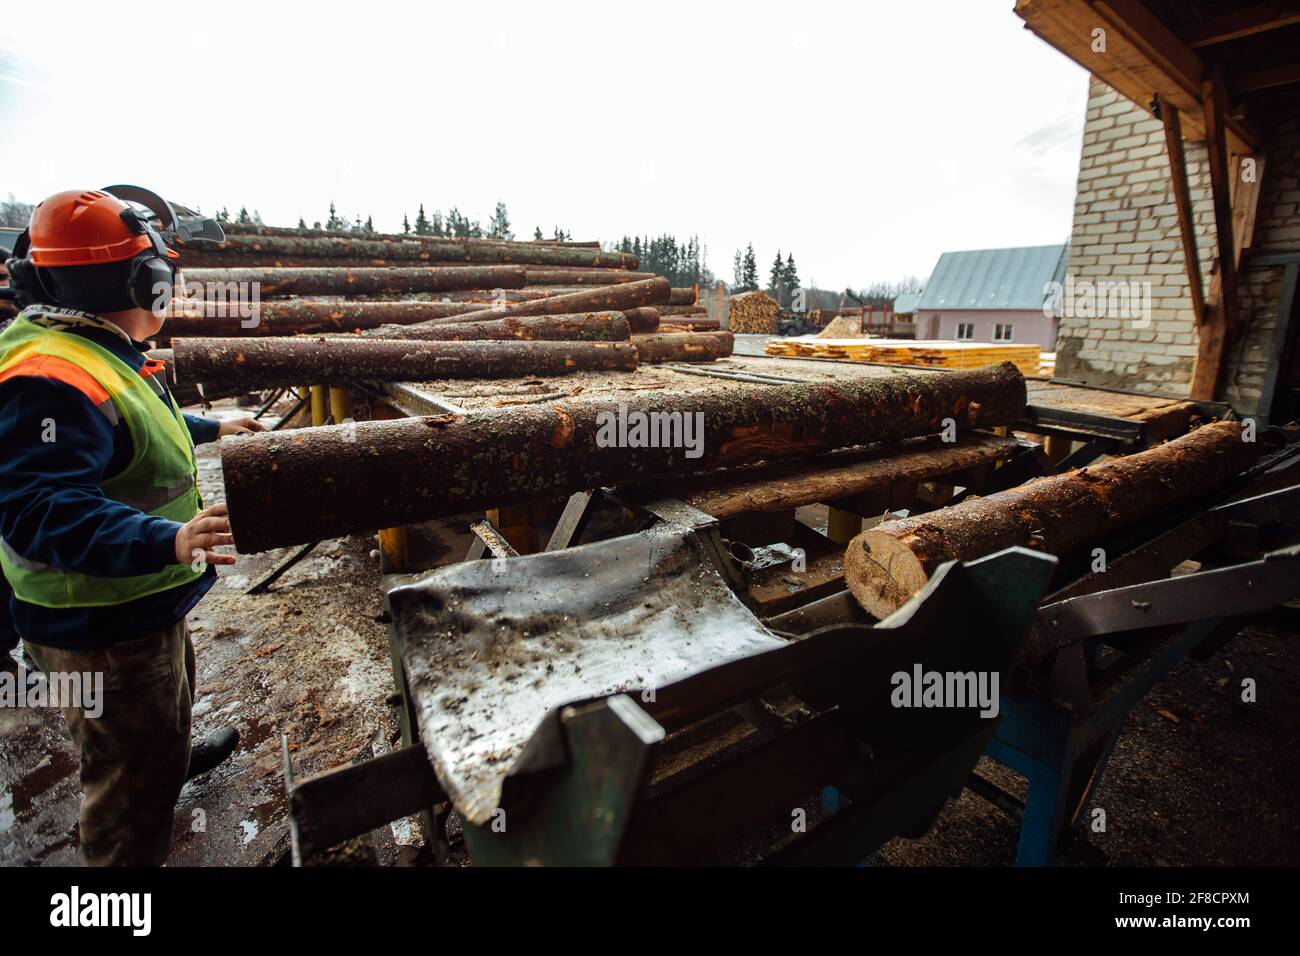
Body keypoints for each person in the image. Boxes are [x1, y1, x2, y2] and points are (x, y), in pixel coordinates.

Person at [0, 188, 264, 865]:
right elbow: (38, 509)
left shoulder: (90, 342)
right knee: (121, 793)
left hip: (140, 598)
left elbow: (127, 424)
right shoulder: (48, 380)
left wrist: (211, 427)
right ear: (138, 283)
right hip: (100, 626)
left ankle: (166, 753)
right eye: (159, 277)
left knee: (163, 704)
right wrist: (166, 539)